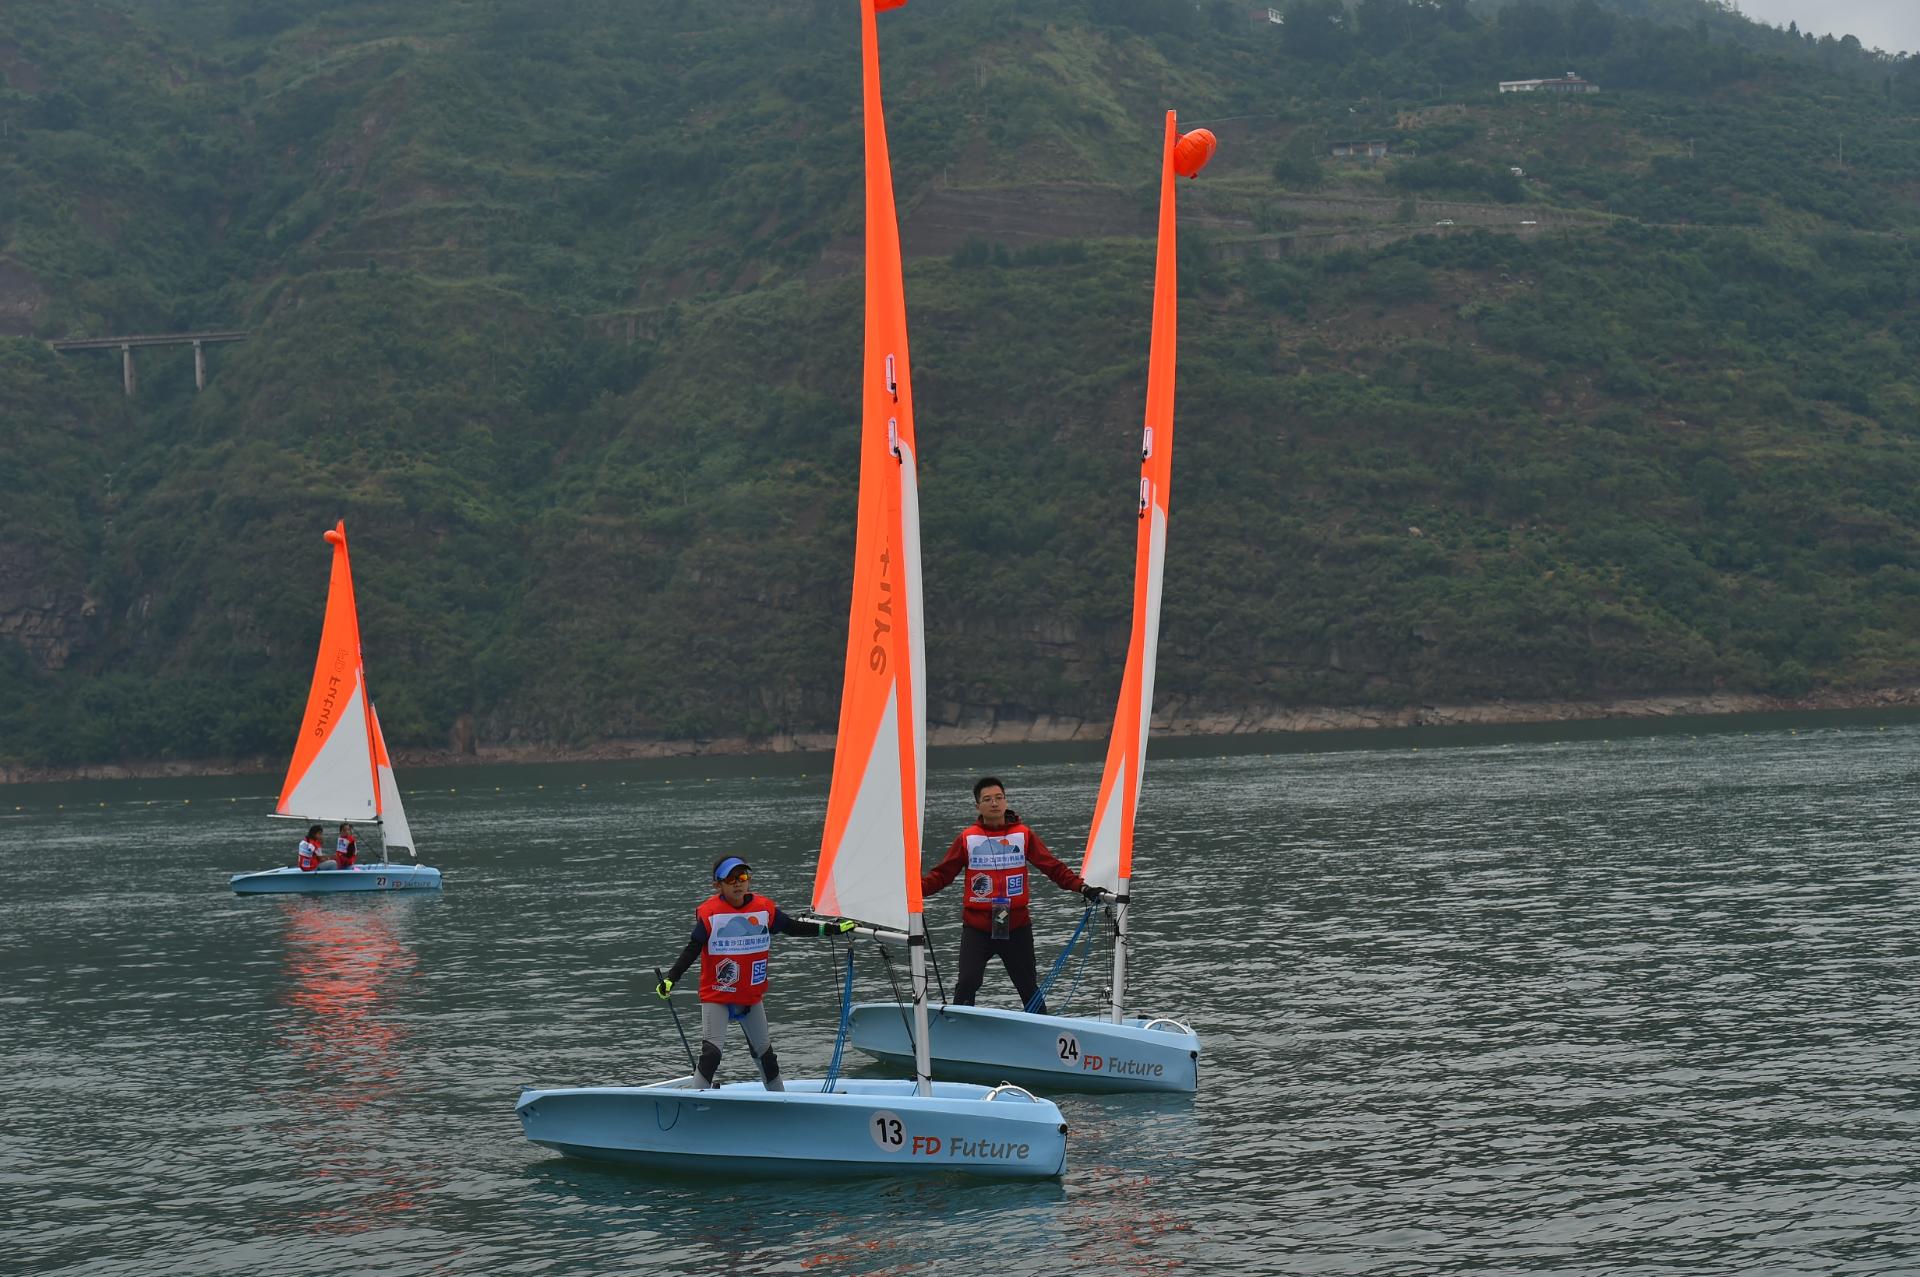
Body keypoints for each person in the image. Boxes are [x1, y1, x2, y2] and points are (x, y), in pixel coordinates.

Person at [653, 856, 856, 1090]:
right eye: (730, 879)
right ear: (717, 885)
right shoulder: (711, 915)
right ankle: (696, 1099)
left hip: (751, 998)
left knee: (765, 1055)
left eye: (742, 877)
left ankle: (779, 1101)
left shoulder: (763, 909)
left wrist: (833, 929)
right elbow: (692, 949)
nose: (738, 883)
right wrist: (671, 979)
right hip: (717, 997)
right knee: (711, 1054)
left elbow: (792, 927)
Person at [922, 776, 1108, 1015]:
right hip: (978, 928)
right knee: (967, 982)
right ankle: (960, 1026)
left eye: (999, 798)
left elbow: (1052, 867)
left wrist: (1083, 888)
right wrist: (915, 892)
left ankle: (1042, 1030)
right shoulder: (968, 838)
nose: (994, 803)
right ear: (977, 806)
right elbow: (942, 875)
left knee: (1028, 987)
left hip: (1016, 926)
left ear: (1006, 801)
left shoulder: (1023, 835)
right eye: (987, 799)